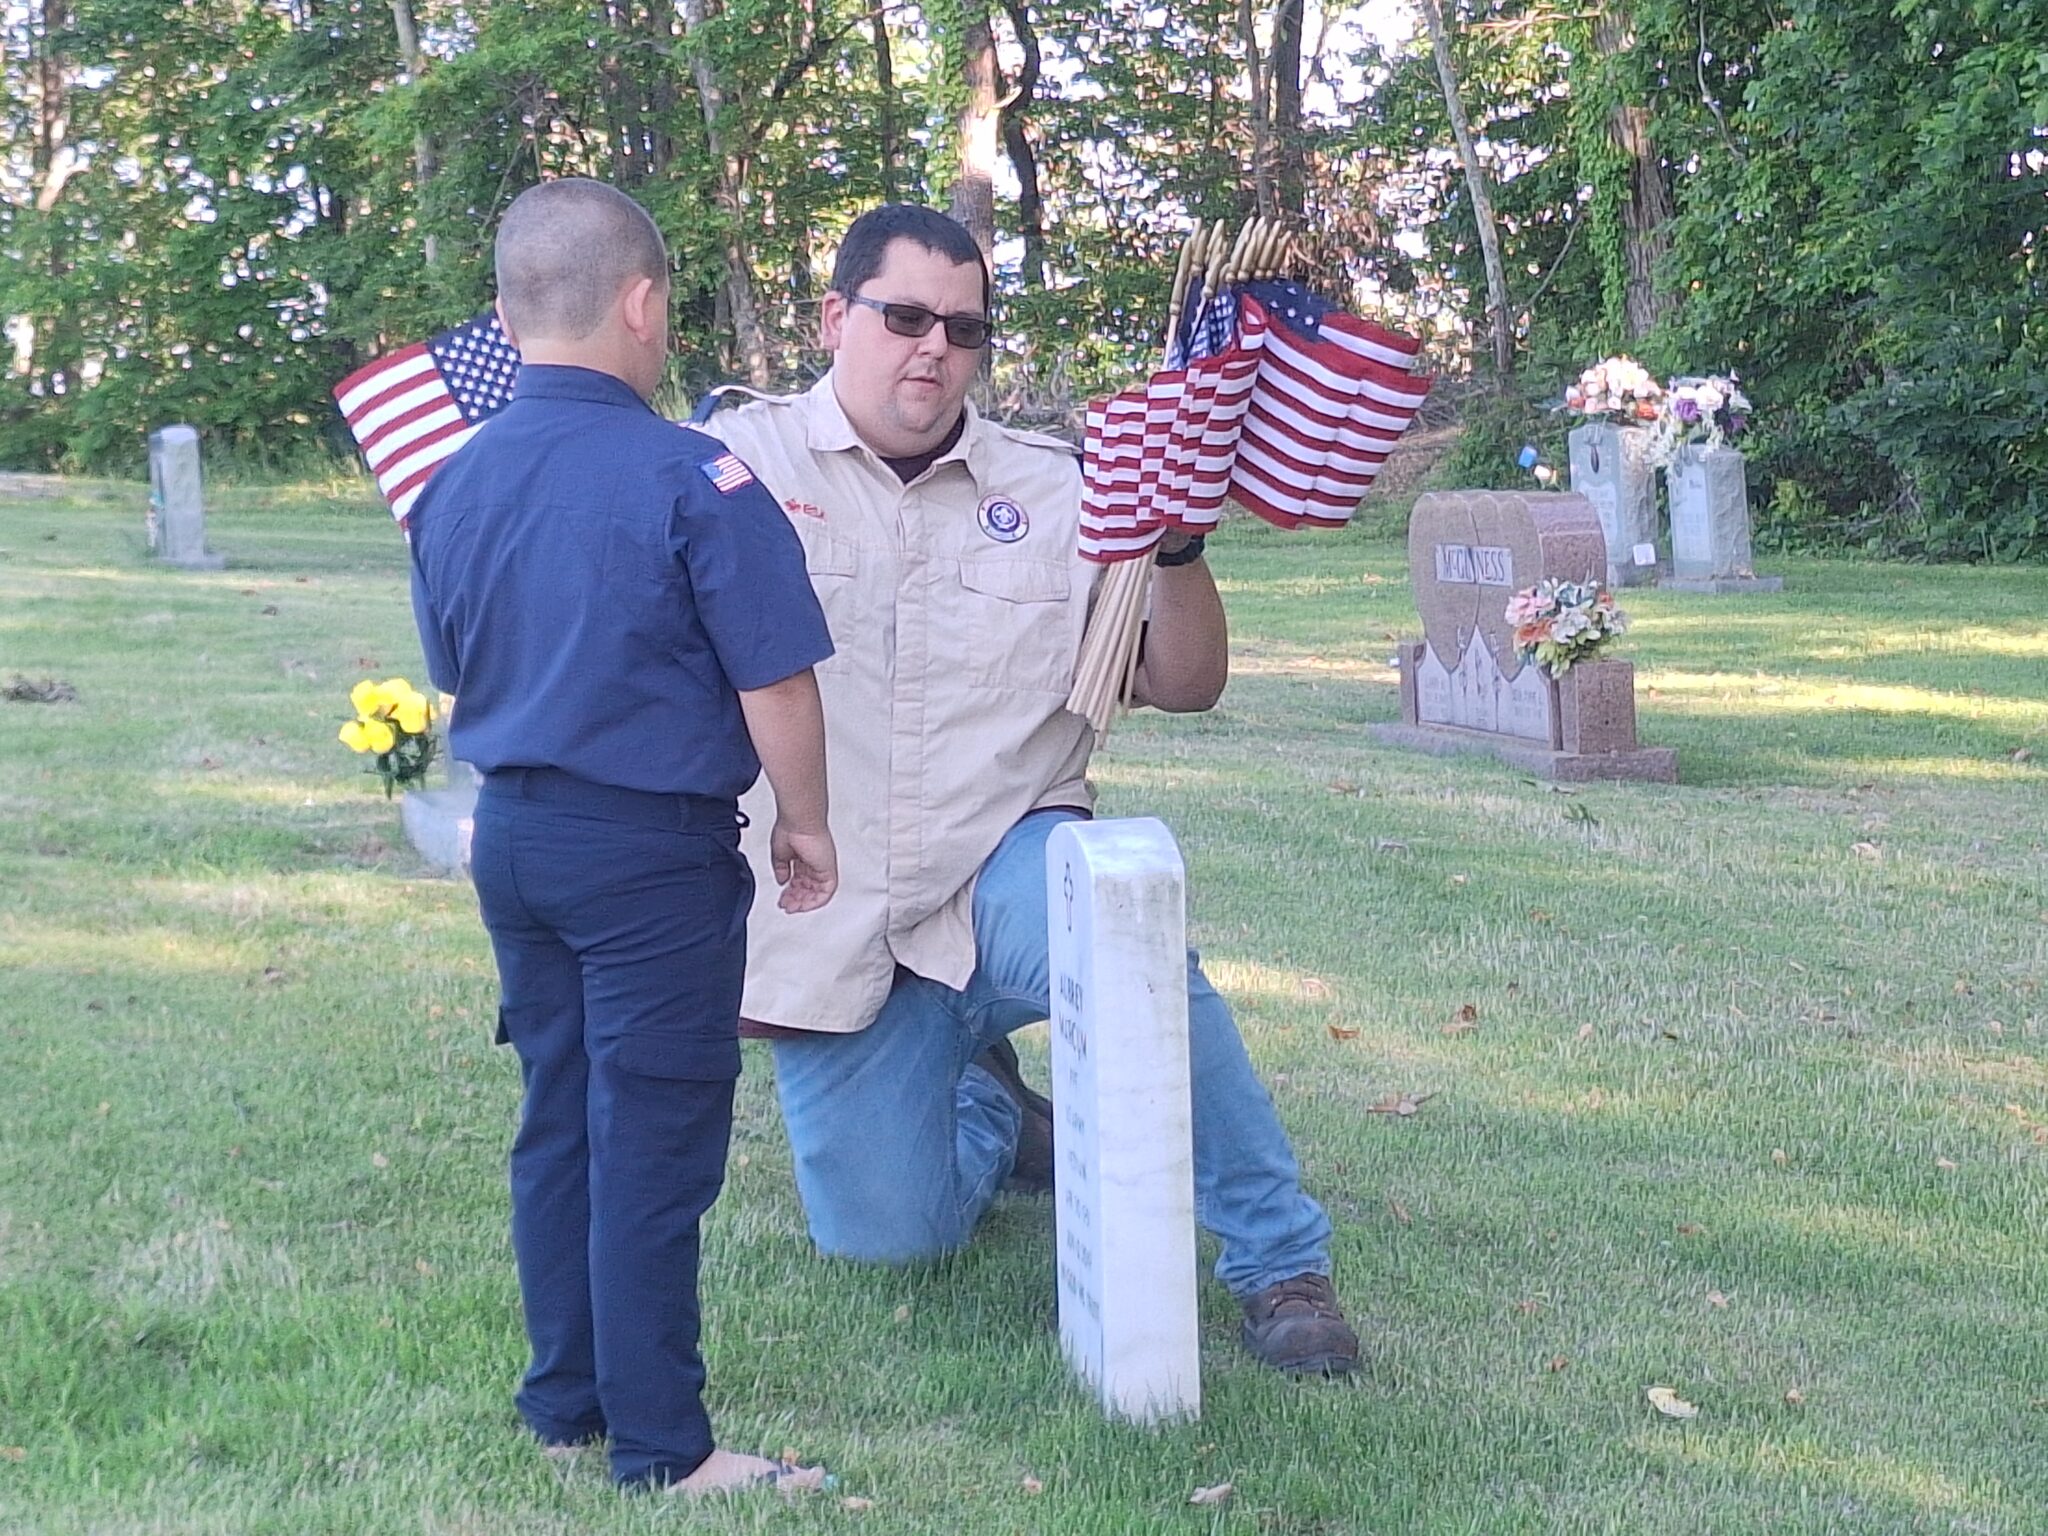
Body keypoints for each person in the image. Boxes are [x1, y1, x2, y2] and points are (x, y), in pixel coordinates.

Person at [702, 203, 1360, 1375]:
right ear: (831, 317)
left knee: (1129, 931)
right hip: (838, 918)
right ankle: (992, 1109)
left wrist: (1174, 540)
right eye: (904, 317)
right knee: (883, 1244)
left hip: (1004, 865)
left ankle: (1277, 1262)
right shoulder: (734, 470)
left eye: (963, 328)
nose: (934, 349)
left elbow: (1185, 682)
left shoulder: (1064, 487)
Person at [407, 178, 840, 1492]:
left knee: (560, 1117)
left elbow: (453, 670)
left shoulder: (449, 484)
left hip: (518, 843)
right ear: (643, 305)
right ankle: (662, 1448)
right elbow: (774, 680)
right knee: (652, 1132)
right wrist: (805, 829)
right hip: (645, 853)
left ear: (508, 312)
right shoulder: (692, 474)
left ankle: (567, 1400)